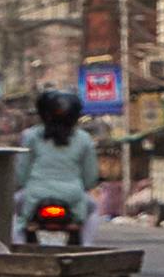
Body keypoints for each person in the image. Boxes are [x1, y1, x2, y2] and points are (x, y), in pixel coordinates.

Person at [15, 87, 103, 242]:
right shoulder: (84, 139)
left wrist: (22, 186)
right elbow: (90, 179)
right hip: (73, 197)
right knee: (94, 210)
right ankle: (86, 247)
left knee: (12, 213)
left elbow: (21, 175)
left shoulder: (31, 136)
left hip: (34, 195)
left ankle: (15, 248)